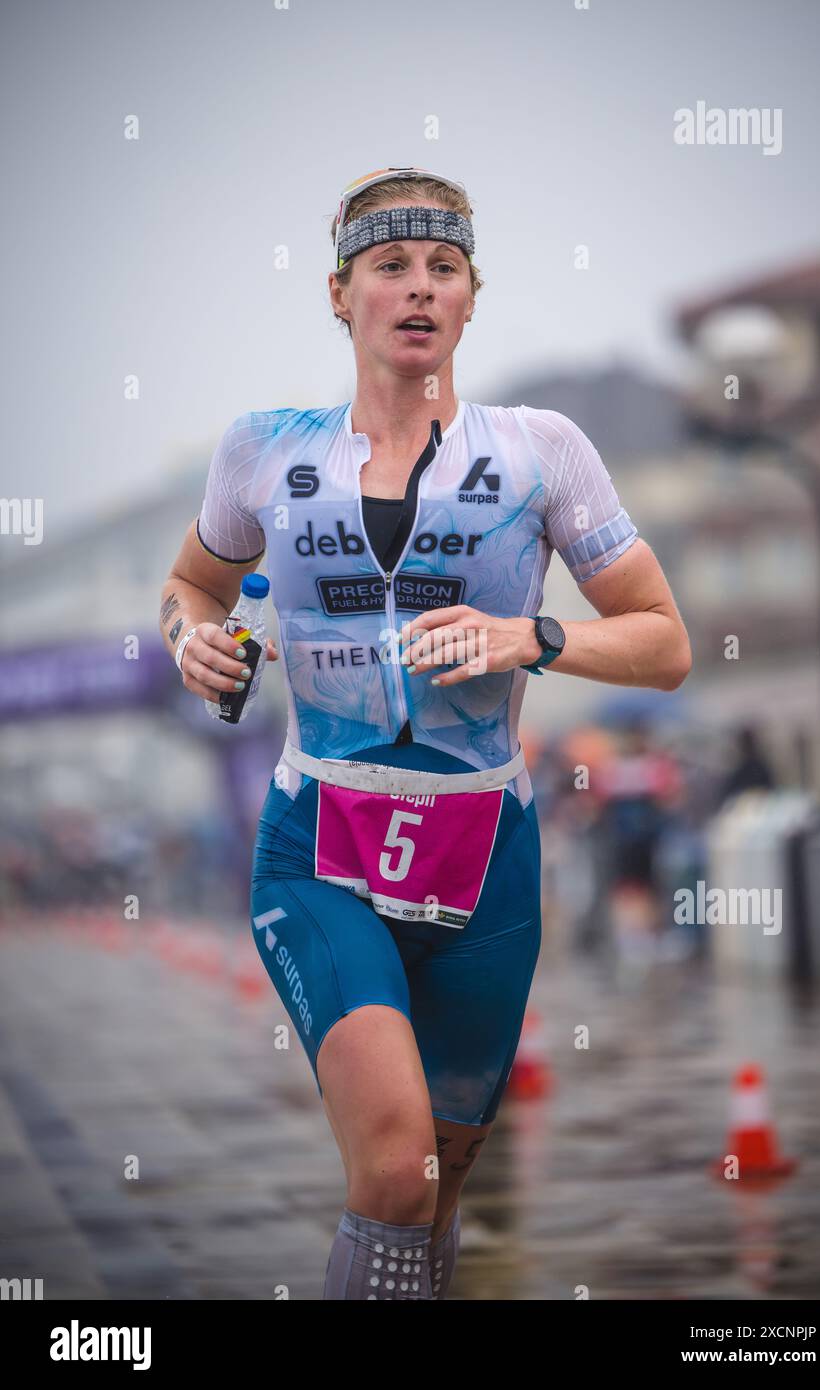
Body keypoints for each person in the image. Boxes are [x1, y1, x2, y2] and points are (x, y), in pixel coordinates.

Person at [159, 166, 692, 1300]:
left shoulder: (541, 450)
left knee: (440, 1187)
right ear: (342, 296)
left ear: (467, 300)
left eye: (441, 270)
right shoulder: (262, 450)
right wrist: (188, 638)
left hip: (484, 859)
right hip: (322, 848)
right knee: (396, 1164)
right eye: (390, 268)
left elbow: (662, 642)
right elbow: (191, 586)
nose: (417, 289)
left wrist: (529, 637)